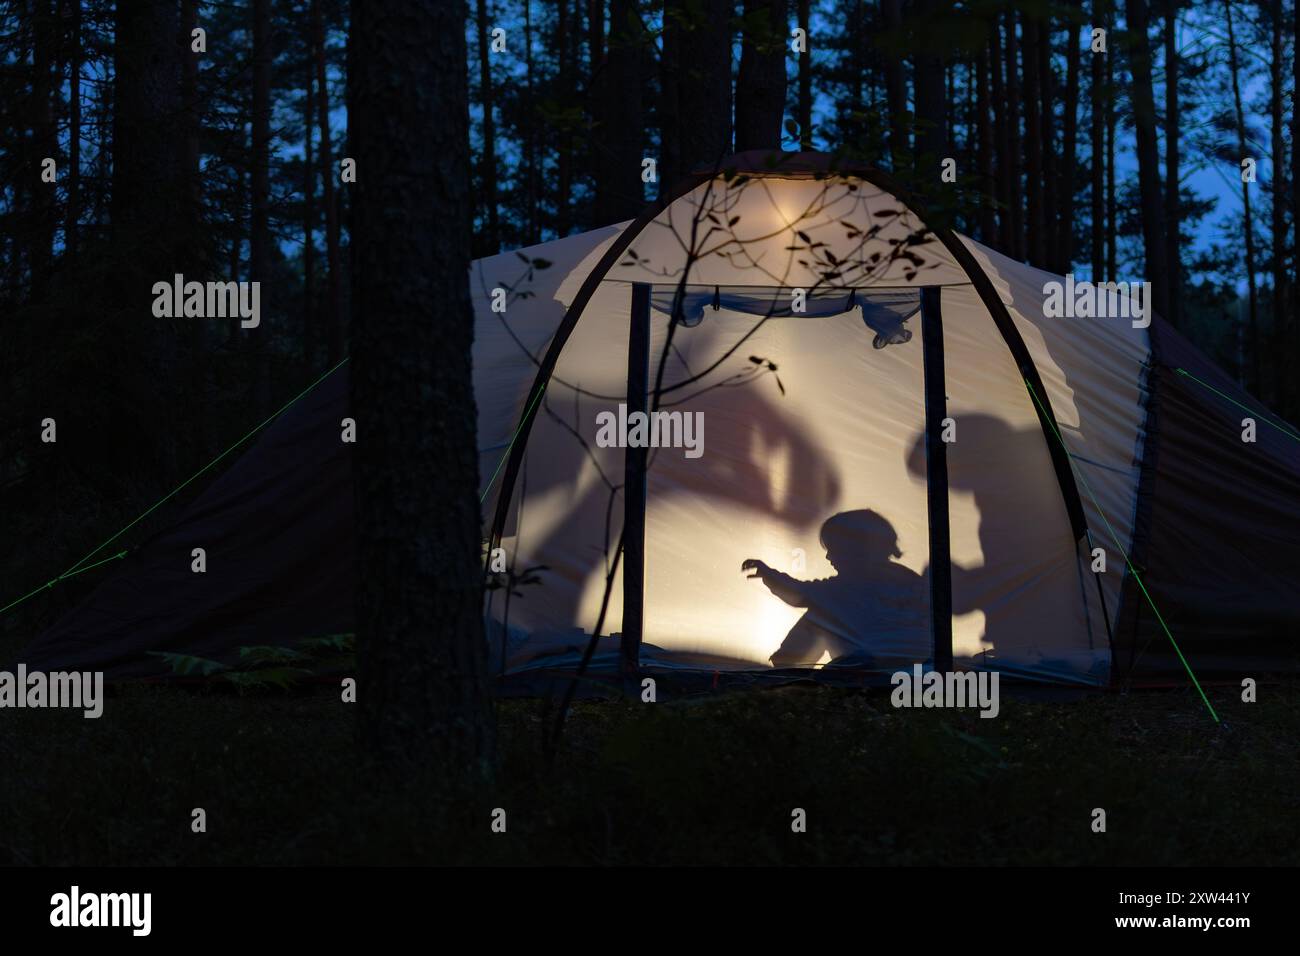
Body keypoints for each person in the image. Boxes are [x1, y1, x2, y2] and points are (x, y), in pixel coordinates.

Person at [742, 509, 926, 669]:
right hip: (919, 668)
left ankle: (788, 669)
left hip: (870, 669)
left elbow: (800, 593)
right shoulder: (911, 581)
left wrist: (767, 574)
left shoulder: (850, 585)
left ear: (858, 549)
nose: (829, 557)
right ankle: (789, 666)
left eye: (834, 549)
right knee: (824, 611)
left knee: (819, 615)